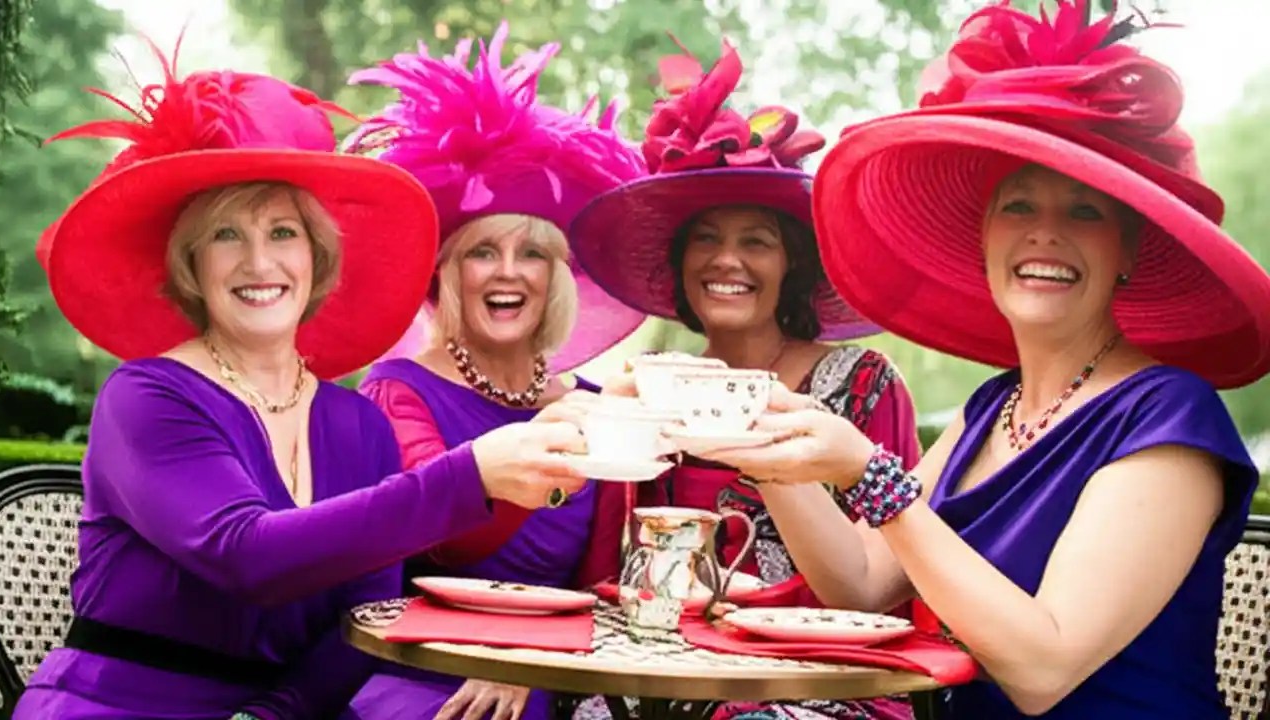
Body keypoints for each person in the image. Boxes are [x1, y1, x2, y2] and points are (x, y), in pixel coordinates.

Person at [670, 3, 1270, 718]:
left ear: (1131, 250)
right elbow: (859, 582)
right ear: (984, 237)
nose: (1044, 235)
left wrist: (866, 472)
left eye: (1083, 212)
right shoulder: (992, 407)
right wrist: (771, 448)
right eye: (1019, 207)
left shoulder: (1169, 413)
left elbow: (1044, 667)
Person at [15, 42, 588, 720]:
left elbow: (364, 622)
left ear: (317, 260)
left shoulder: (357, 423)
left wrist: (273, 715)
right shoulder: (145, 397)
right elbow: (246, 554)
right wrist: (471, 477)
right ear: (191, 266)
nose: (260, 262)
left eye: (282, 232)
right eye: (227, 234)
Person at [567, 37, 920, 720]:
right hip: (664, 674)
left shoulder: (864, 385)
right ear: (680, 261)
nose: (726, 259)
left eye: (756, 240)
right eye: (706, 237)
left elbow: (886, 584)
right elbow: (606, 576)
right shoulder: (647, 388)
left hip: (820, 682)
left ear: (793, 265)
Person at [340, 23, 645, 720]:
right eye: (482, 251)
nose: (508, 272)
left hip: (547, 673)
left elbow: (604, 585)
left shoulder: (596, 407)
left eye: (531, 254)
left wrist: (531, 666)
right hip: (416, 664)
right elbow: (443, 537)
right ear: (445, 275)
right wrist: (558, 438)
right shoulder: (397, 391)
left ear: (557, 278)